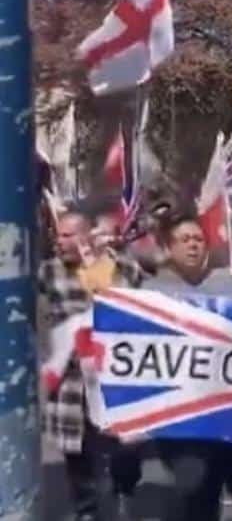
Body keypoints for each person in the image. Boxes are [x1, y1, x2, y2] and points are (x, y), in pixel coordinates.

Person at [39, 210, 144, 521]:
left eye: (67, 235)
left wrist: (101, 266)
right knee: (77, 453)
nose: (59, 241)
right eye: (58, 235)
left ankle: (124, 490)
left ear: (87, 236)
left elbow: (135, 301)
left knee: (125, 447)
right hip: (72, 383)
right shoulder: (48, 272)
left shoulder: (120, 267)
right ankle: (86, 511)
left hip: (114, 378)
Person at [144, 211, 232, 521]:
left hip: (221, 408)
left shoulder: (226, 284)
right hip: (175, 408)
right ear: (169, 247)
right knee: (190, 478)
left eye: (198, 239)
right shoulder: (152, 290)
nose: (193, 246)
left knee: (211, 484)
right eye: (184, 239)